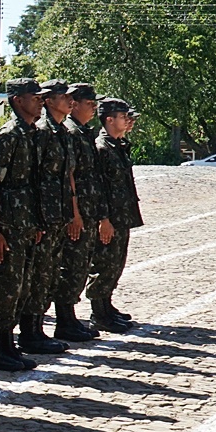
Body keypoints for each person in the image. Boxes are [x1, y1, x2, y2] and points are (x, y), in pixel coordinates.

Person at [0, 78, 46, 371]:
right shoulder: (8, 136)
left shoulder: (32, 134)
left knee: (21, 287)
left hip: (26, 224)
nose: (40, 101)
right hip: (8, 226)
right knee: (6, 289)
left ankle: (8, 344)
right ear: (18, 100)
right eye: (35, 97)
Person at [23, 80, 75, 355]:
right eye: (63, 96)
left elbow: (66, 176)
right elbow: (35, 178)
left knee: (49, 275)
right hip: (43, 214)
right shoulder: (42, 132)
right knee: (38, 274)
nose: (70, 101)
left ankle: (38, 328)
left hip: (57, 214)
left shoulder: (62, 131)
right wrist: (38, 218)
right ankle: (30, 332)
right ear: (50, 102)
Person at [54, 83, 105, 342]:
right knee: (71, 265)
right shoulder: (71, 132)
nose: (93, 107)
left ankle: (70, 317)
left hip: (87, 209)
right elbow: (69, 176)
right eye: (89, 102)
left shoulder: (83, 132)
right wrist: (73, 213)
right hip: (76, 210)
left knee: (80, 265)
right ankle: (64, 319)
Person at [87, 99, 141, 330]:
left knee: (116, 263)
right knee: (104, 263)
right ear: (109, 119)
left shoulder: (117, 145)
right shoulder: (101, 148)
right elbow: (98, 187)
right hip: (109, 217)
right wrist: (103, 219)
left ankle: (107, 306)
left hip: (121, 215)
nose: (128, 121)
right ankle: (99, 313)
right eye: (123, 116)